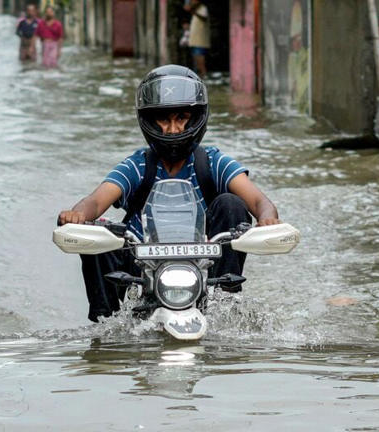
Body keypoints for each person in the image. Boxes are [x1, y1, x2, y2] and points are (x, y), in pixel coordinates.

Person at [58, 65, 281, 322]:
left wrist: (267, 219)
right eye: (164, 119)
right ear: (149, 121)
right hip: (141, 266)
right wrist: (77, 214)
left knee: (232, 203)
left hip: (203, 267)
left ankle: (224, 302)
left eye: (182, 117)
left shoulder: (213, 162)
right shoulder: (137, 165)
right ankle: (105, 327)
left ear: (197, 117)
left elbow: (259, 201)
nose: (173, 129)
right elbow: (96, 201)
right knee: (96, 228)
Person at [184, 0, 210, 78]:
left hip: (201, 38)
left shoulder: (203, 8)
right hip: (194, 38)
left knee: (199, 56)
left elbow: (204, 18)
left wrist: (193, 11)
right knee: (195, 56)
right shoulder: (196, 11)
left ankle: (203, 73)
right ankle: (199, 73)